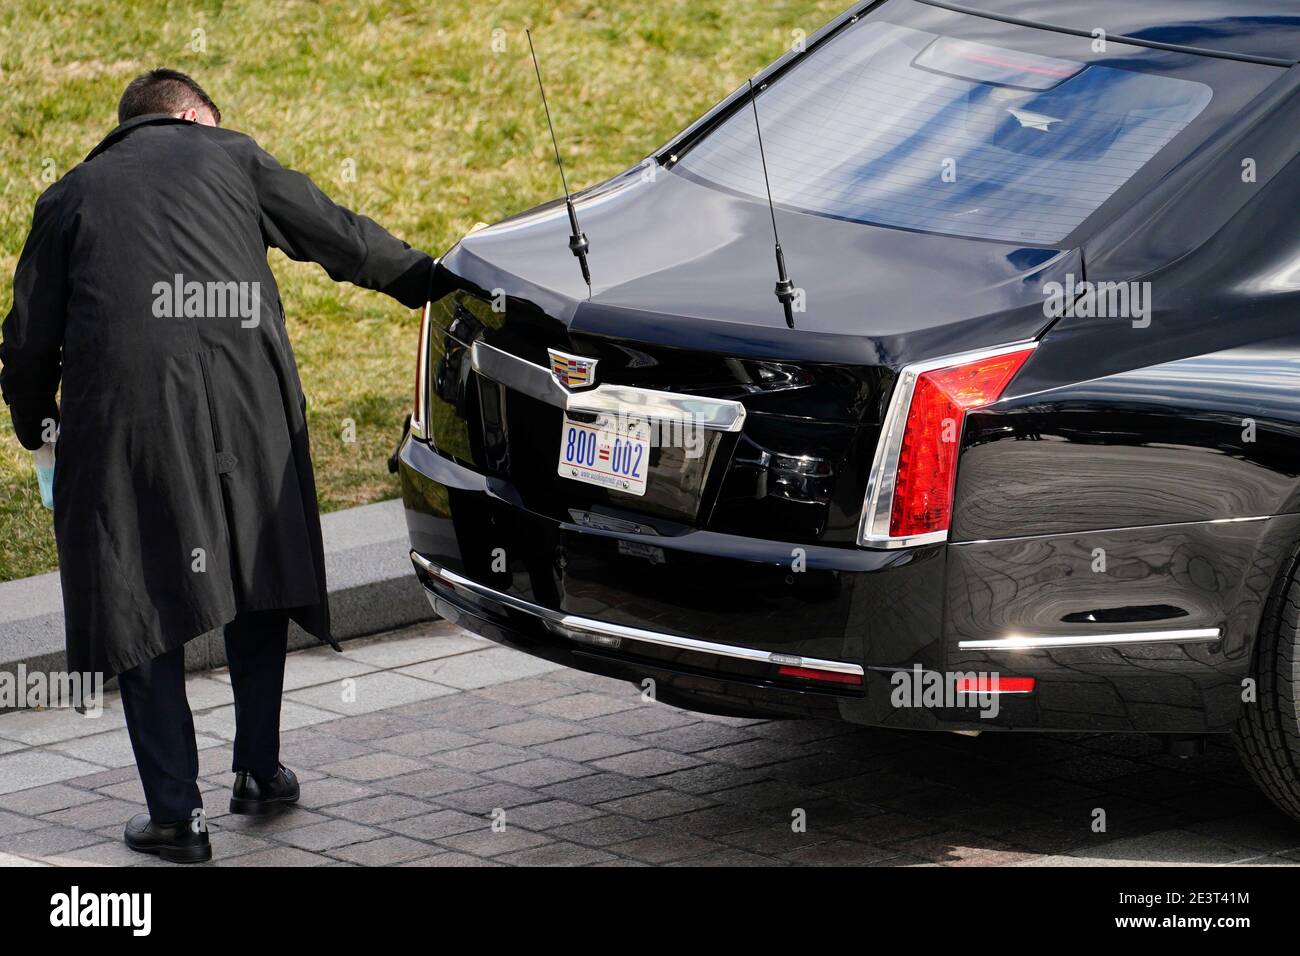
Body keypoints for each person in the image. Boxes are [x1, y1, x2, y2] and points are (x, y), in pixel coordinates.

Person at [0, 68, 438, 862]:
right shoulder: (230, 155)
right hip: (248, 406)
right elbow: (339, 236)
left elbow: (27, 339)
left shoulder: (68, 197)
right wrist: (432, 282)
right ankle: (260, 770)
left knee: (139, 598)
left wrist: (37, 425)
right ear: (196, 114)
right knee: (258, 569)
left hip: (125, 426)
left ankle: (177, 816)